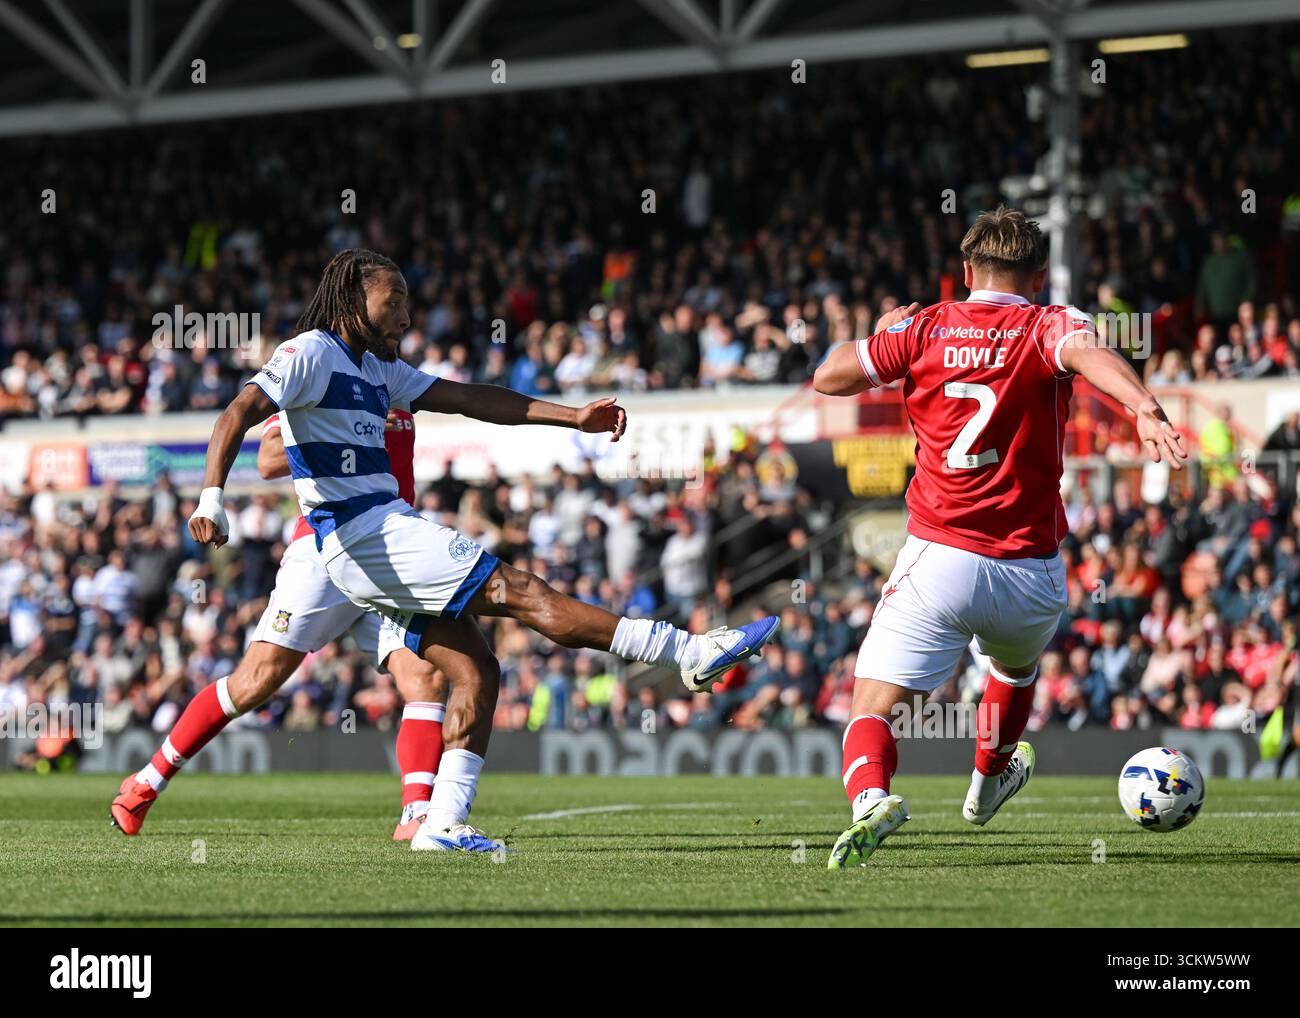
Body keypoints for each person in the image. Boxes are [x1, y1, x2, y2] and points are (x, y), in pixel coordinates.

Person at [185, 248, 780, 853]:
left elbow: (474, 399)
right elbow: (238, 412)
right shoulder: (310, 352)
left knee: (475, 670)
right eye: (394, 302)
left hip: (373, 540)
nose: (405, 318)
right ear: (352, 301)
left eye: (408, 306)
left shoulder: (378, 371)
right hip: (368, 534)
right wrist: (211, 499)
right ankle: (689, 651)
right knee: (523, 592)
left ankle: (441, 823)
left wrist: (573, 417)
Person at [810, 207, 1187, 868]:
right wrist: (1145, 406)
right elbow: (1091, 355)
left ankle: (872, 800)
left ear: (964, 272)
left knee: (873, 703)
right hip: (1028, 570)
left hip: (939, 558)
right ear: (1039, 275)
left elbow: (828, 377)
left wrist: (881, 334)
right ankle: (988, 783)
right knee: (1013, 670)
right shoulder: (1049, 324)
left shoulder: (923, 327)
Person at [112, 404, 481, 843]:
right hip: (326, 548)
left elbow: (471, 396)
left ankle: (417, 812)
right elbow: (267, 461)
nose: (400, 331)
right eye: (392, 327)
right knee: (256, 680)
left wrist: (567, 416)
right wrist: (346, 424)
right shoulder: (313, 370)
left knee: (424, 676)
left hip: (391, 548)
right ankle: (146, 782)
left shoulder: (397, 376)